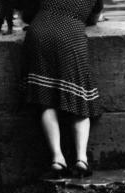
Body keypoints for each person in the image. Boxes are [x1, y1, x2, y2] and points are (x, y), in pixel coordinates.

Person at [21, 0, 104, 179]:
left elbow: (27, 14)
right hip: (70, 35)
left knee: (45, 100)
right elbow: (93, 18)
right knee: (80, 100)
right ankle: (81, 160)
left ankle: (58, 159)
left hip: (39, 33)